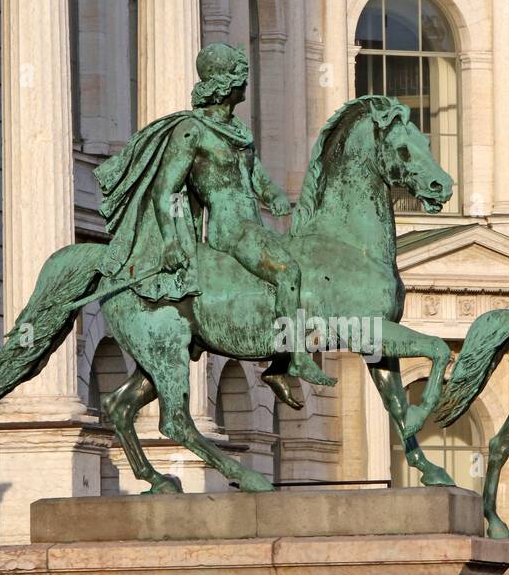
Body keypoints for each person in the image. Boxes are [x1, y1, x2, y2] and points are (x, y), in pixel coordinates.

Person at [92, 42, 333, 391]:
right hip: (230, 230)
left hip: (254, 225)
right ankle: (289, 360)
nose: (246, 84)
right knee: (288, 272)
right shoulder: (191, 132)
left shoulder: (239, 131)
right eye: (241, 77)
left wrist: (276, 195)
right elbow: (166, 190)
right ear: (224, 84)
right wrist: (172, 240)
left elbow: (256, 177)